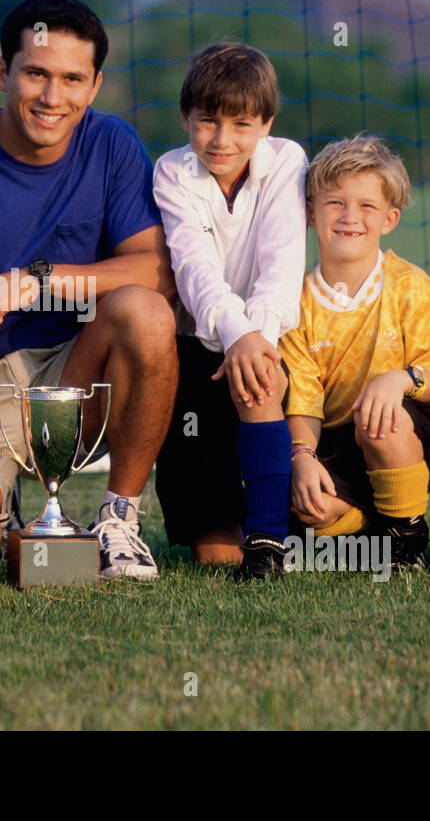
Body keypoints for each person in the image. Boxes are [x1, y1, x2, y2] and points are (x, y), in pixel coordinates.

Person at [0, 0, 177, 579]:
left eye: (72, 79)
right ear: (3, 73)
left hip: (72, 373)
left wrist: (40, 282)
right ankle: (7, 508)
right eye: (36, 74)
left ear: (94, 86)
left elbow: (157, 272)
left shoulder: (112, 145)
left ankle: (118, 520)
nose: (52, 96)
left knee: (145, 313)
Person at [151, 42, 307, 579]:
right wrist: (234, 333)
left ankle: (268, 541)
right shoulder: (171, 172)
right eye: (207, 122)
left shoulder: (288, 161)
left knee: (260, 380)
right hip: (196, 344)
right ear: (185, 118)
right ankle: (230, 524)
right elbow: (194, 270)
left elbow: (282, 267)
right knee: (214, 553)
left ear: (266, 123)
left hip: (264, 338)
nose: (222, 139)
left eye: (241, 124)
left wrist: (253, 339)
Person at [279, 135, 430, 570]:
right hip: (333, 442)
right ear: (309, 212)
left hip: (401, 433)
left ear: (390, 218)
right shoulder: (292, 302)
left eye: (367, 206)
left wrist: (399, 380)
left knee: (382, 421)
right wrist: (301, 456)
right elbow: (303, 402)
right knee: (308, 510)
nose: (349, 218)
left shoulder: (412, 287)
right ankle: (375, 527)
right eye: (335, 203)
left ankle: (407, 541)